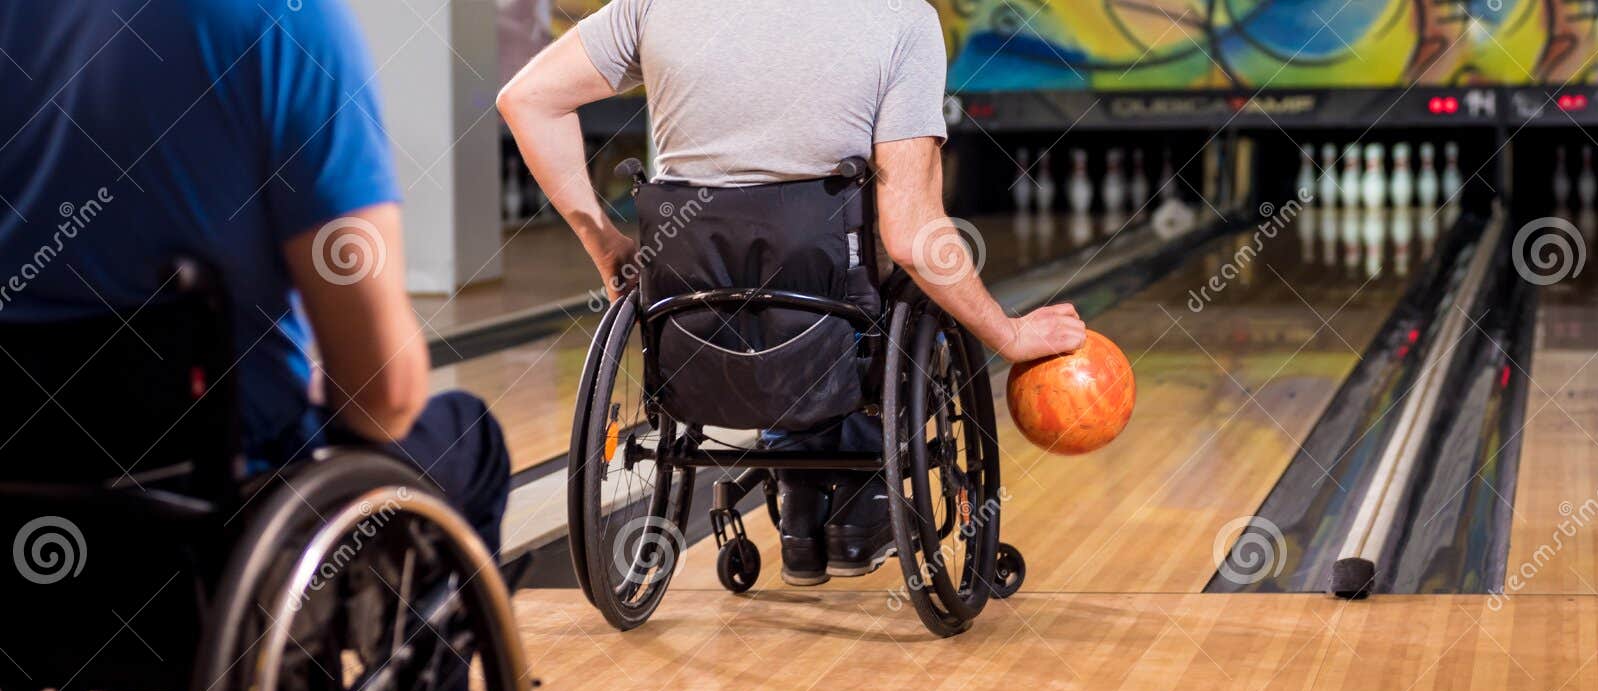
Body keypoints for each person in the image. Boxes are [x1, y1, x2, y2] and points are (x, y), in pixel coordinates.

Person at [498, 0, 1085, 584]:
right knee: (906, 278)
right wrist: (1007, 332)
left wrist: (603, 242)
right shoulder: (902, 18)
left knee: (803, 278)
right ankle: (860, 501)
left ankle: (802, 503)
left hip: (692, 314)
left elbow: (524, 100)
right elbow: (913, 237)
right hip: (829, 304)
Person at [0, 0, 510, 555]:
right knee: (470, 437)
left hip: (25, 493)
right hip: (222, 512)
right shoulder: (288, 20)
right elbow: (383, 395)